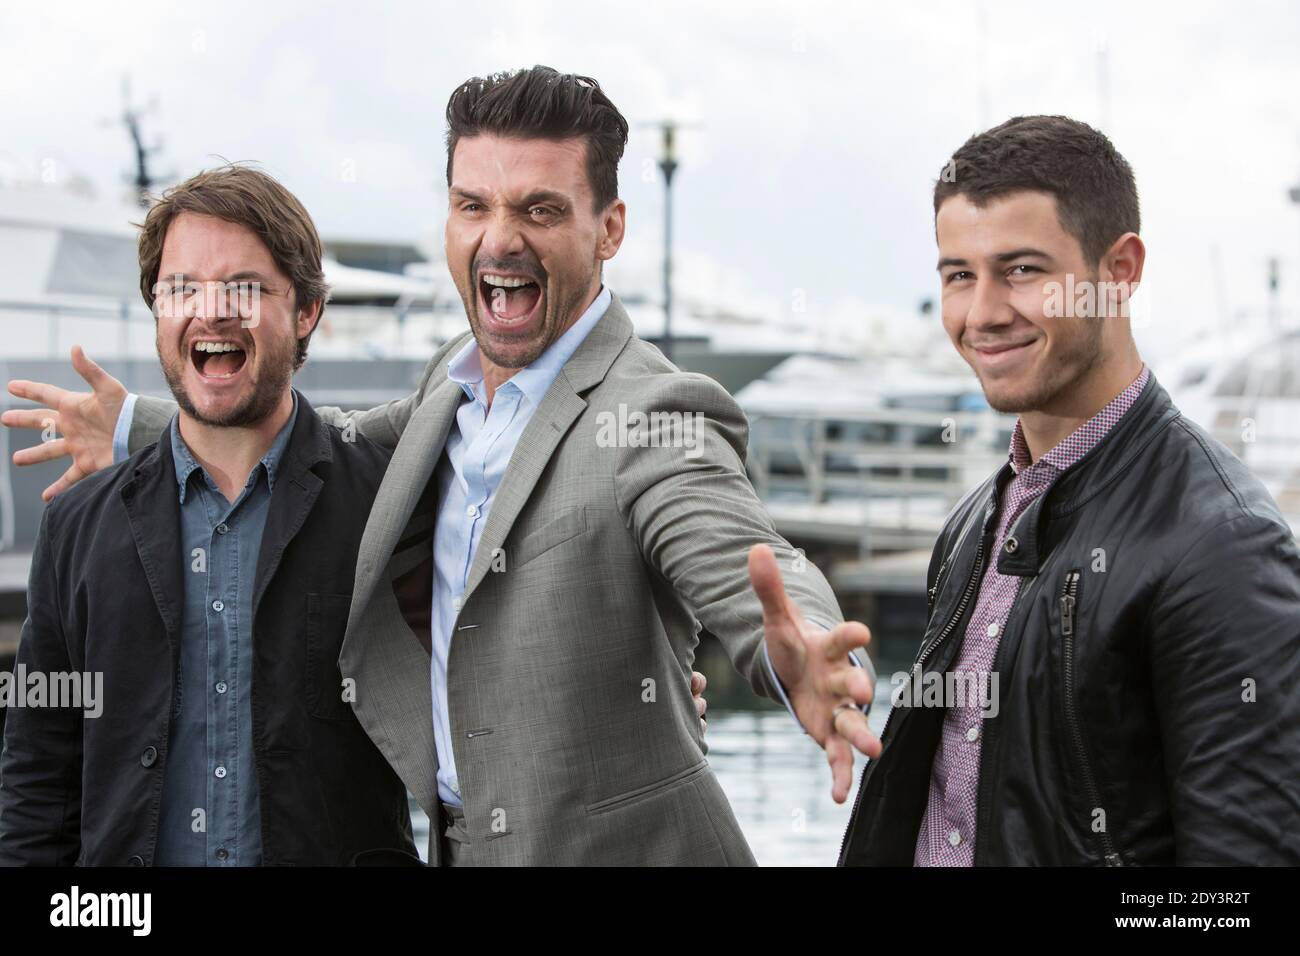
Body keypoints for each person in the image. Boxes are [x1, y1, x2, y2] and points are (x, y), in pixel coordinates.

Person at [5, 68, 878, 866]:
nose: (500, 239)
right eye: (473, 206)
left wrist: (790, 650)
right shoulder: (445, 392)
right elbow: (307, 436)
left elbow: (730, 543)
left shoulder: (654, 411)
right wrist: (139, 424)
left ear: (608, 228)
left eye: (539, 209)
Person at [839, 115, 1300, 866]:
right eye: (959, 274)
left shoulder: (1224, 545)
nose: (982, 313)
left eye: (1021, 270)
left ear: (1119, 271)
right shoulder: (973, 523)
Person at [0, 166, 418, 865]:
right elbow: (38, 774)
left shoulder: (384, 504)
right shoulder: (77, 525)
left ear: (307, 310)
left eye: (245, 287)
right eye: (182, 288)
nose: (211, 310)